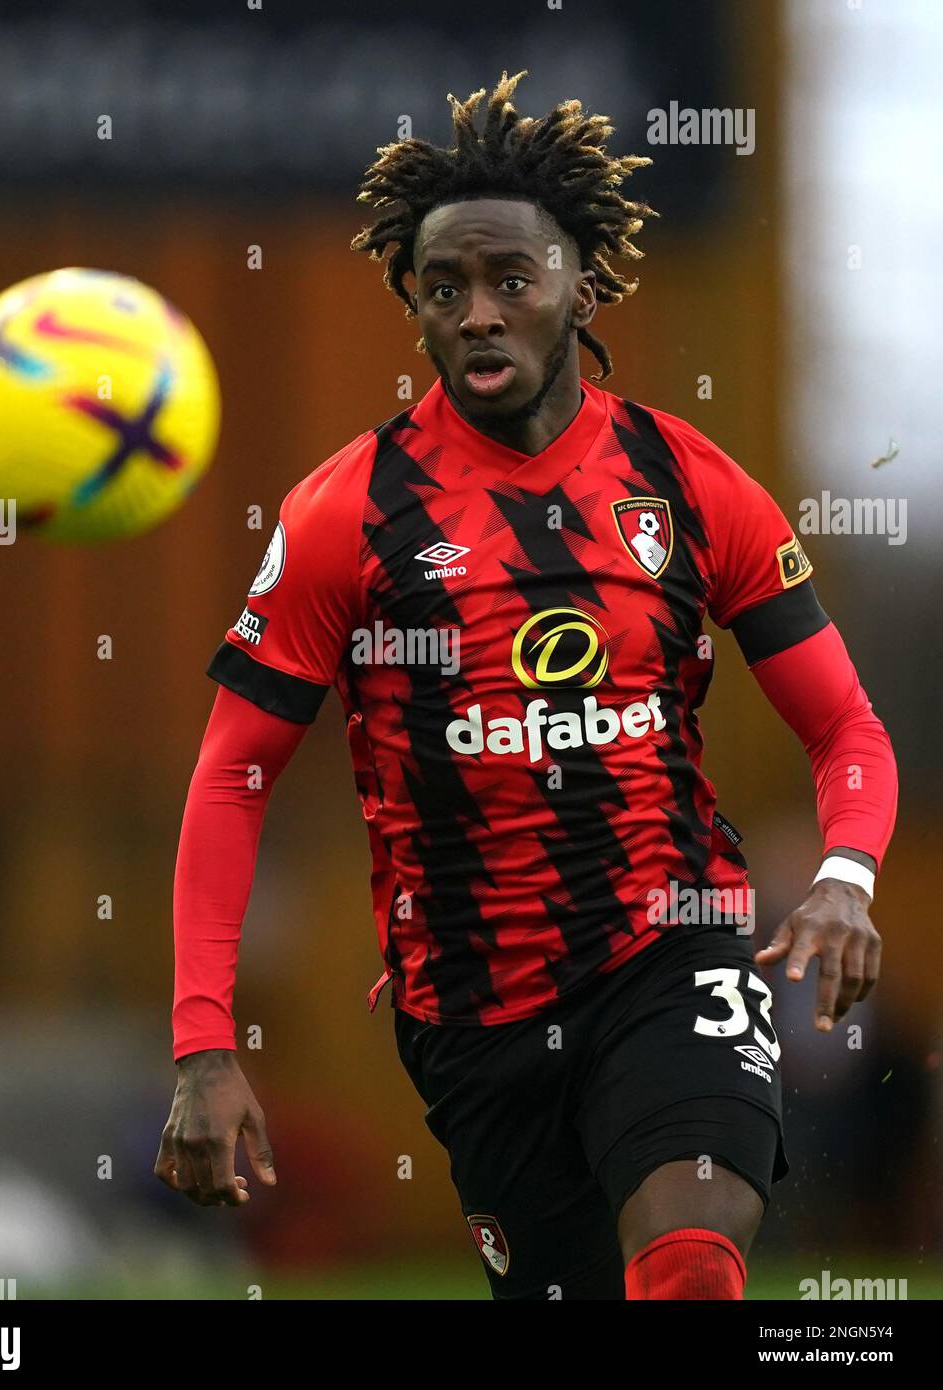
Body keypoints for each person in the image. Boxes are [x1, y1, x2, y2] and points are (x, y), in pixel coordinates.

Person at [154, 71, 898, 1300]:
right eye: (446, 289)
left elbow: (844, 723)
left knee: (692, 1265)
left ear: (581, 287)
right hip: (473, 1009)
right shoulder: (348, 515)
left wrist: (846, 874)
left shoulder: (686, 480)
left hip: (677, 951)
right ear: (417, 309)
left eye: (514, 280)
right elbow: (232, 777)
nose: (481, 313)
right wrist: (200, 1044)